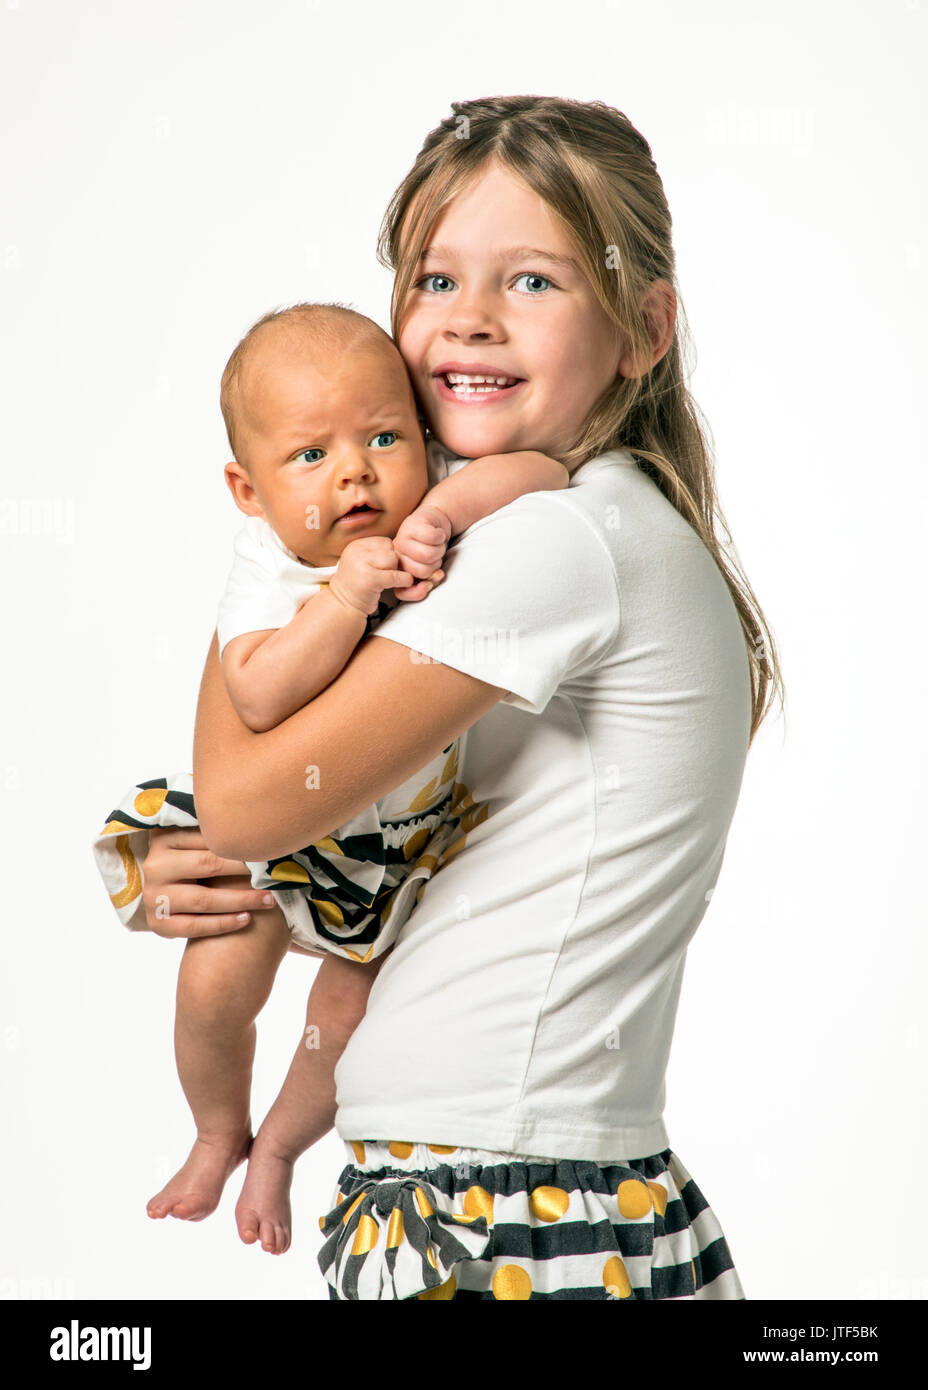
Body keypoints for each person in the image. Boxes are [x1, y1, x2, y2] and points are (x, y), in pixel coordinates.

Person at [121, 95, 785, 1300]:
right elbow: (351, 832)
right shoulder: (541, 531)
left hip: (503, 1207)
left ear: (643, 330)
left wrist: (276, 571)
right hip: (510, 1193)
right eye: (433, 277)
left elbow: (255, 797)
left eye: (532, 280)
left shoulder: (560, 543)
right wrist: (250, 866)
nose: (469, 319)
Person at [92, 301, 568, 1252]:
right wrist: (347, 596)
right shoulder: (268, 568)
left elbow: (543, 471)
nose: (355, 469)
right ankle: (217, 1127)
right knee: (215, 981)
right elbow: (259, 694)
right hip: (282, 841)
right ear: (248, 489)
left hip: (398, 838)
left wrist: (447, 507)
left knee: (343, 1013)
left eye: (385, 436)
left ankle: (277, 1147)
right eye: (310, 457)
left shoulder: (428, 497)